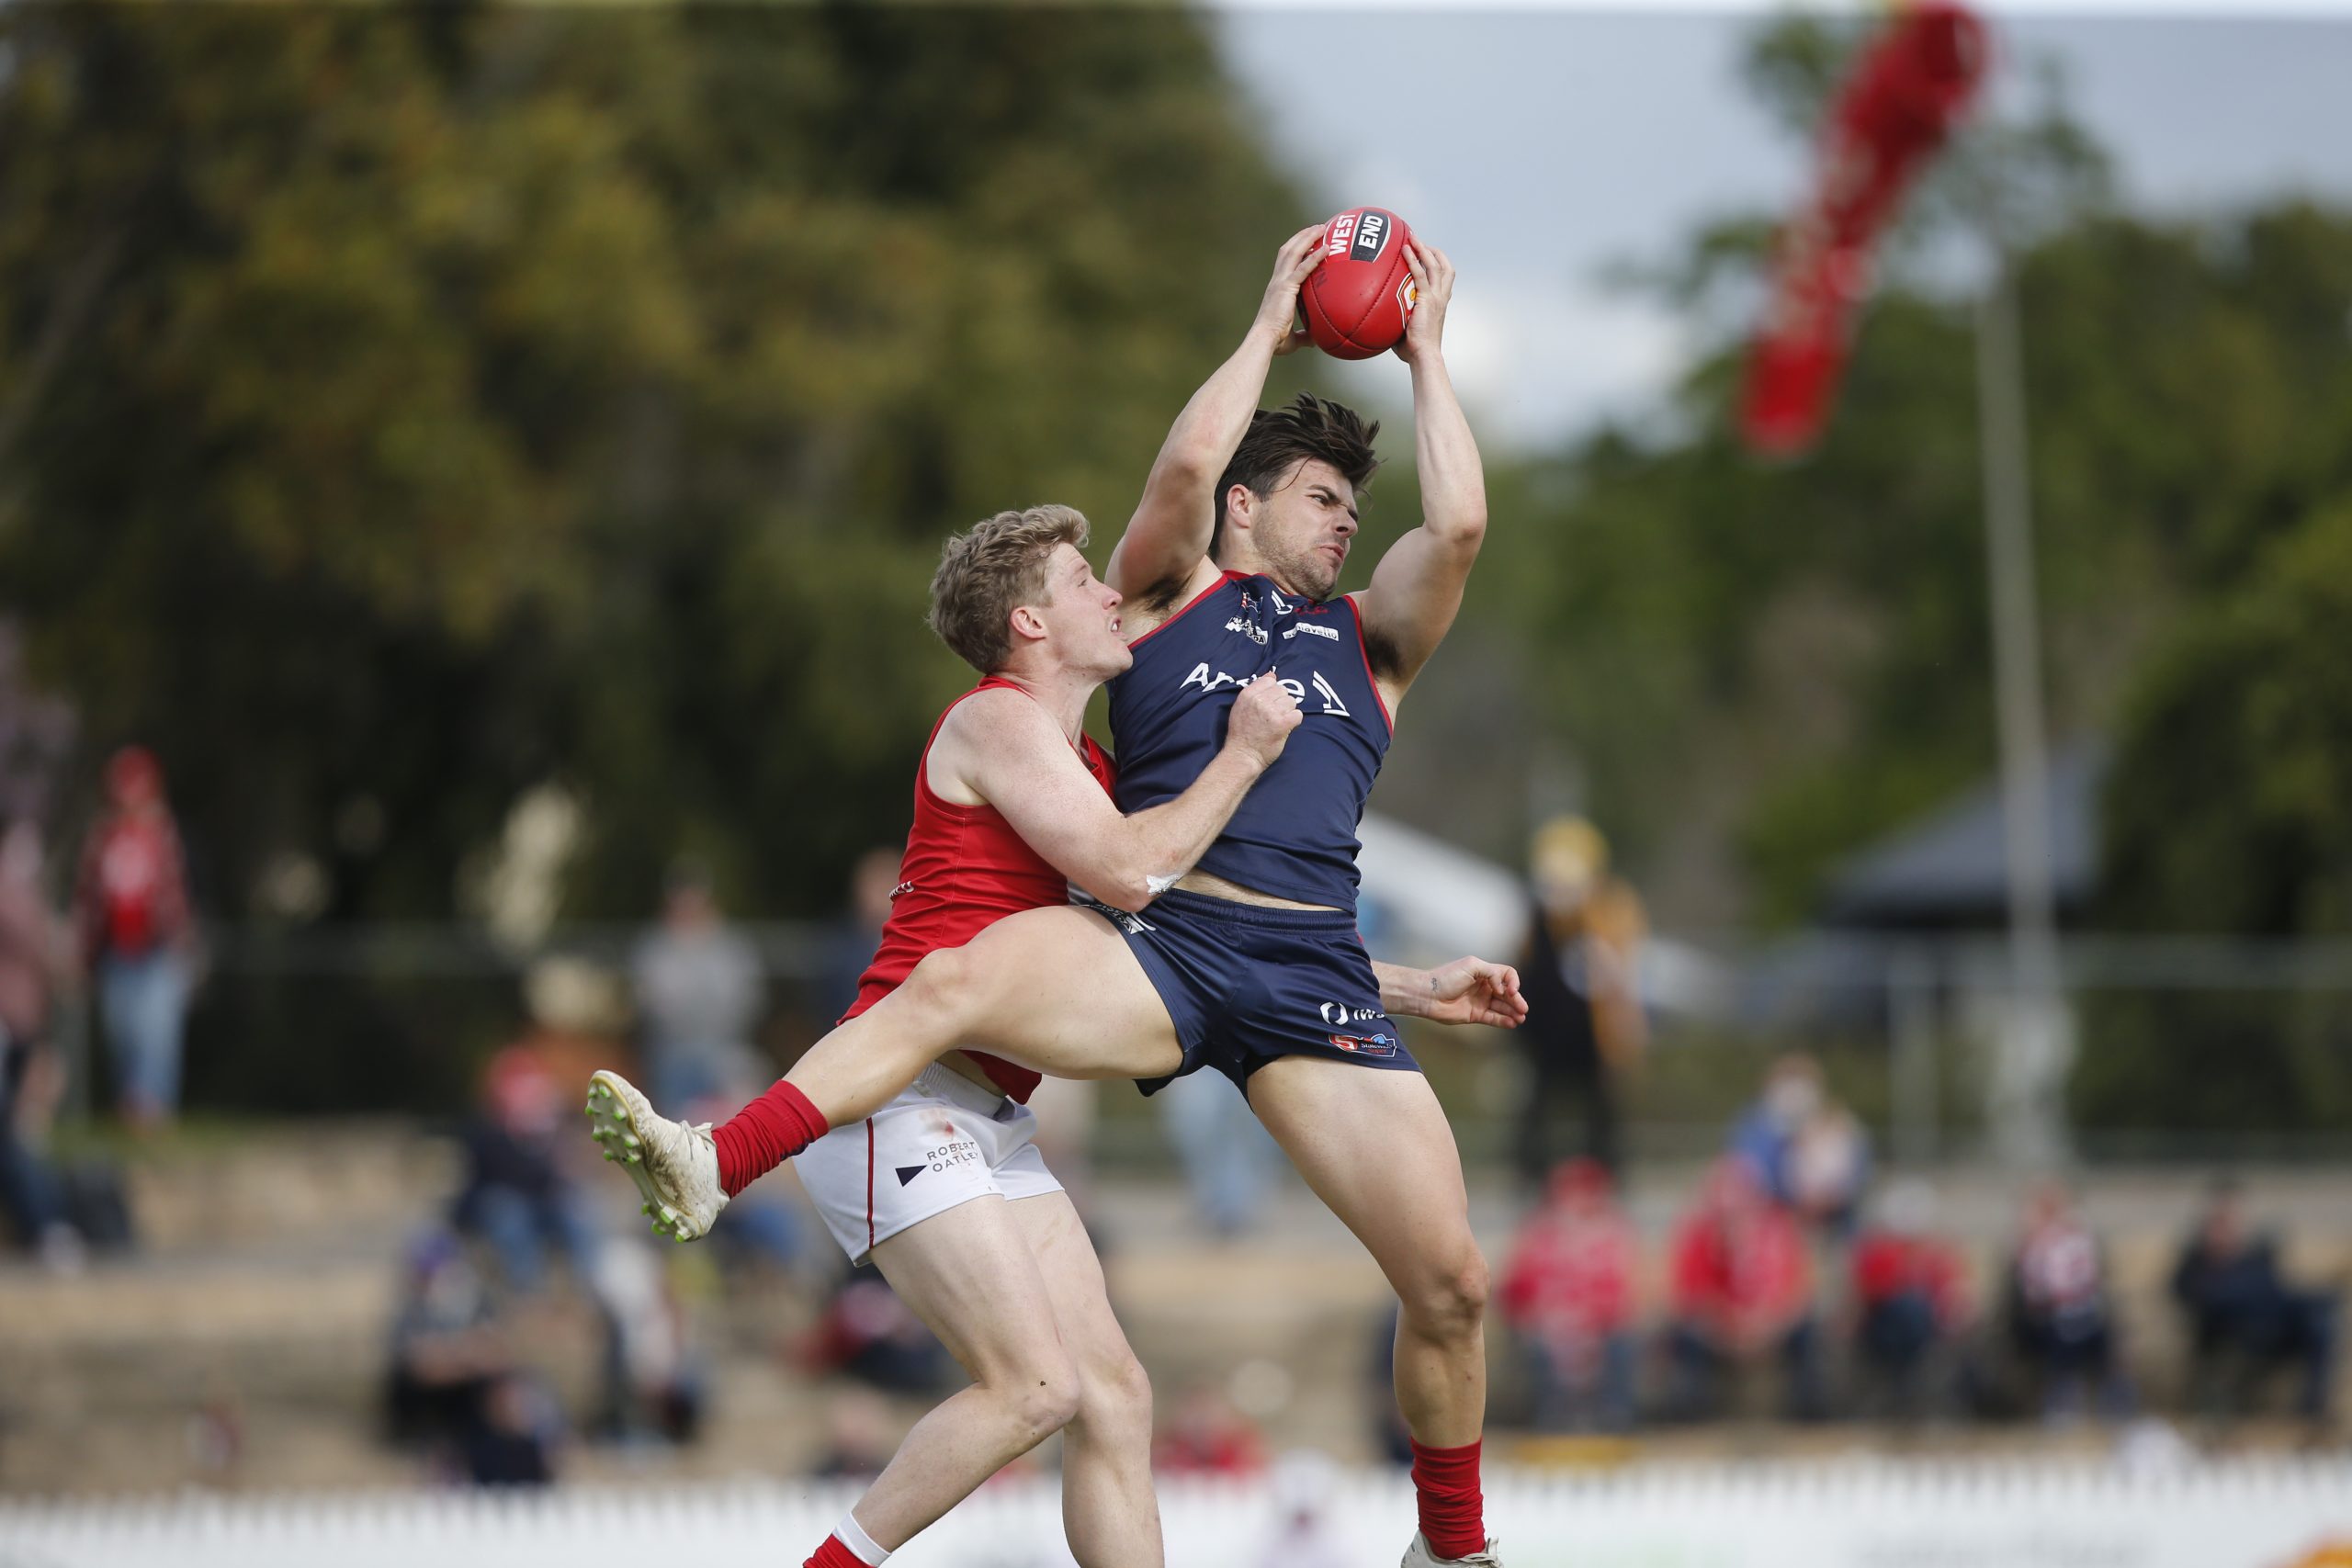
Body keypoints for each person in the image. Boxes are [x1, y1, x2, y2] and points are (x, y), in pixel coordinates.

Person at [590, 229, 1524, 1568]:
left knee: (1451, 1283)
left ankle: (1451, 1547)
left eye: (1352, 508)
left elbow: (1468, 523)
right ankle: (720, 1158)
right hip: (1167, 946)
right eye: (1323, 494)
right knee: (957, 986)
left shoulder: (1366, 642)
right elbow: (1189, 469)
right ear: (1249, 510)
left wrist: (1429, 353)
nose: (1345, 519)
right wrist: (1270, 316)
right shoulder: (1159, 599)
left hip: (1314, 971)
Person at [593, 502, 1313, 1568]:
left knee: (1114, 1398)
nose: (1109, 591)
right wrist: (1244, 754)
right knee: (1035, 1387)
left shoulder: (1087, 774)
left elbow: (1209, 925)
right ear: (1029, 623)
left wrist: (1403, 987)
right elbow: (1129, 870)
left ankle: (716, 1162)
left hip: (985, 1117)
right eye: (1082, 579)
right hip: (899, 1101)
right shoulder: (994, 720)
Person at [1512, 819, 1645, 1187]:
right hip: (1545, 1034)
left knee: (1602, 1111)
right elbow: (1524, 964)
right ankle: (1531, 1179)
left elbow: (1622, 974)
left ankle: (1606, 1180)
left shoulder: (1611, 912)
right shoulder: (1536, 917)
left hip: (1594, 1036)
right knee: (1535, 1107)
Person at [74, 746, 198, 1130]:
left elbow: (176, 896)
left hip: (156, 951)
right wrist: (84, 950)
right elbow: (89, 899)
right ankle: (131, 1107)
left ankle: (154, 1109)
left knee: (156, 1031)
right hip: (116, 952)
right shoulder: (102, 837)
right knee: (123, 1032)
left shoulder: (163, 833)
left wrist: (184, 944)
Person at [1663, 1156, 1824, 1422]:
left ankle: (1809, 1413)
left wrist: (1765, 1325)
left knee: (1808, 1331)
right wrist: (1728, 1328)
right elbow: (1692, 1297)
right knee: (1684, 1334)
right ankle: (1691, 1413)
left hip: (1768, 1325)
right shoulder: (1700, 1235)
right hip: (1720, 1328)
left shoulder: (1777, 1231)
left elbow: (1794, 1292)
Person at [2170, 1178, 2337, 1421]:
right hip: (2229, 1338)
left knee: (2318, 1321)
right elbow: (2195, 1299)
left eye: (2233, 1221)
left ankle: (2312, 1411)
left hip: (2272, 1334)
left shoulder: (2257, 1259)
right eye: (2221, 1221)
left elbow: (2280, 1295)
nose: (2228, 1229)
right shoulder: (2195, 1265)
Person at [1498, 1158, 1638, 1432]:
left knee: (1619, 1346)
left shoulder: (1613, 1237)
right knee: (1536, 1349)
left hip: (1599, 1332)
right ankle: (1548, 1425)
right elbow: (1515, 1291)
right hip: (1545, 1332)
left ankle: (1614, 1425)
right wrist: (1546, 1322)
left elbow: (1620, 1297)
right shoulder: (1537, 1235)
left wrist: (1586, 1329)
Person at [629, 860, 764, 1115]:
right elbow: (656, 1005)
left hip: (725, 1050)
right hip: (673, 1054)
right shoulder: (654, 948)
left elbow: (744, 1002)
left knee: (747, 1079)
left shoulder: (732, 945)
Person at [2006, 1182, 2132, 1421]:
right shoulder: (2027, 1244)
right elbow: (2032, 1291)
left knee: (2098, 1331)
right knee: (2063, 1333)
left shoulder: (2079, 1238)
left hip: (2080, 1315)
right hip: (2041, 1320)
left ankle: (2115, 1403)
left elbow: (2089, 1280)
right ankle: (2063, 1400)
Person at [1849, 1179, 1973, 1419]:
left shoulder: (1937, 1254)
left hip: (1928, 1331)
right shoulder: (1878, 1251)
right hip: (1883, 1331)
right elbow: (1869, 1295)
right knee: (1908, 1308)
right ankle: (1905, 1390)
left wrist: (1957, 1303)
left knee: (1916, 1311)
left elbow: (1953, 1292)